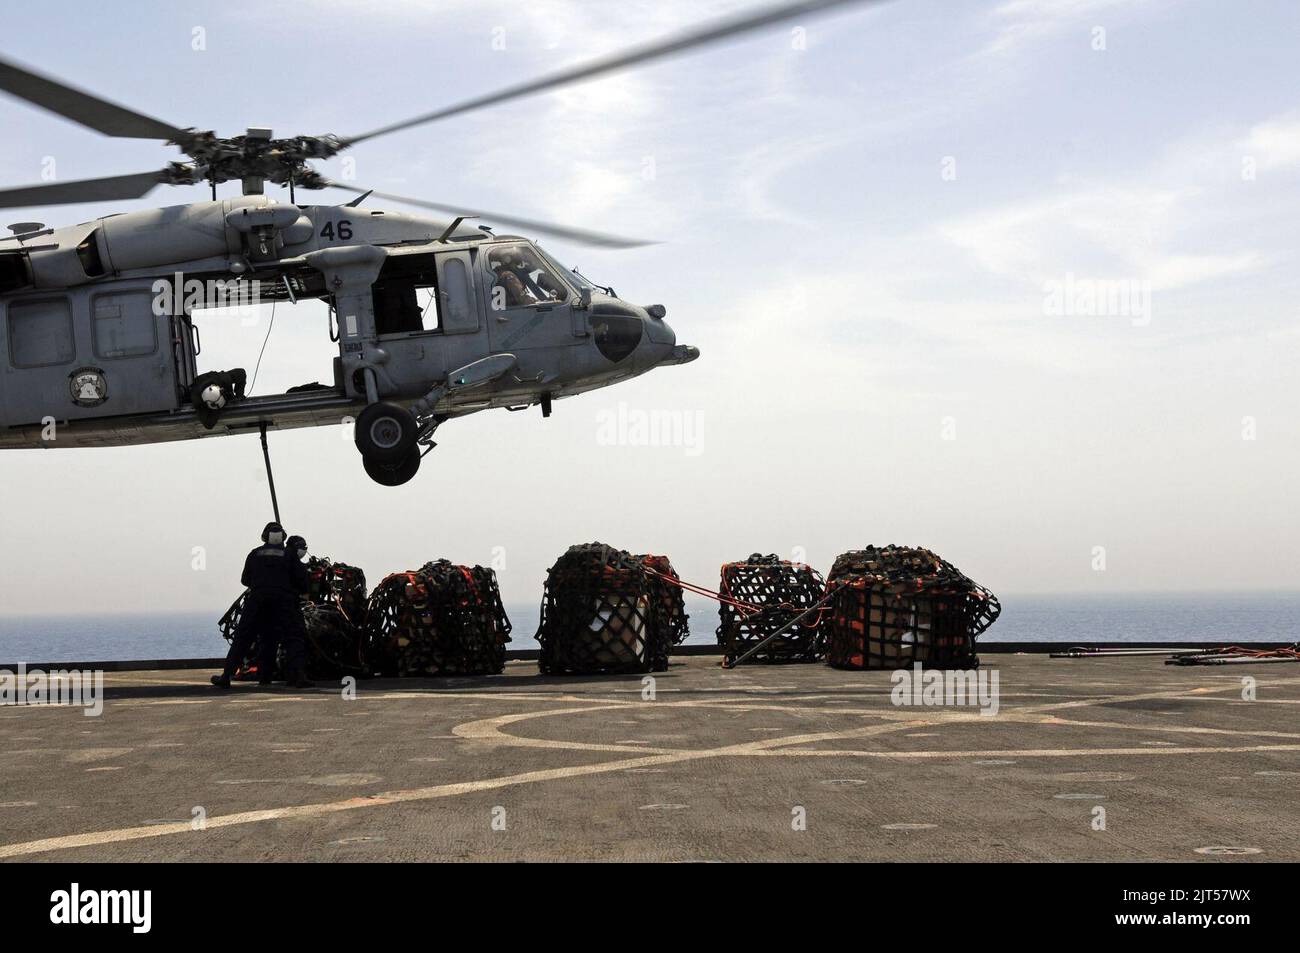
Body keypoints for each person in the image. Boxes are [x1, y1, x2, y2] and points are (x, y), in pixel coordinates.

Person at [211, 521, 312, 689]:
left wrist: (262, 584)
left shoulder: (254, 554)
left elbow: (245, 580)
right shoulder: (289, 555)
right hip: (284, 603)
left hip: (257, 602)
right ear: (283, 537)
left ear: (264, 536)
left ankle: (227, 676)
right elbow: (302, 582)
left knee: (245, 638)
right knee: (294, 637)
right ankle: (299, 676)